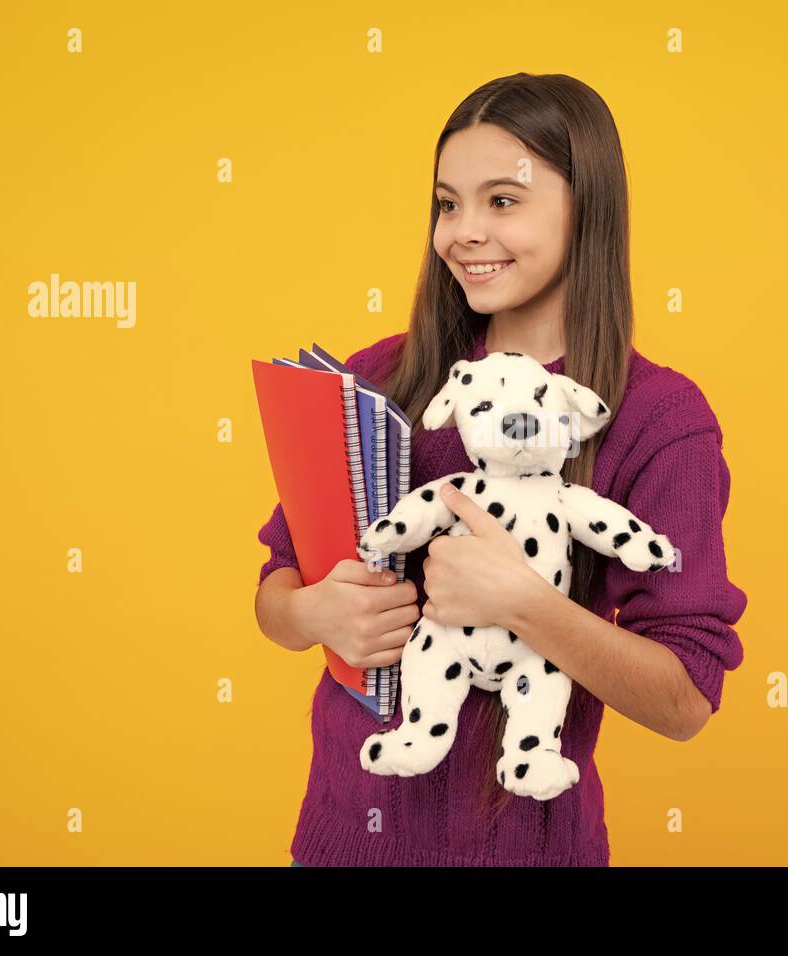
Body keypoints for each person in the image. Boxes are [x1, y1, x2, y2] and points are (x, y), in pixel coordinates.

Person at [255, 72, 747, 866]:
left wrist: (524, 603)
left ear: (586, 207)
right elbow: (276, 588)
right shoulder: (381, 378)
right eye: (448, 204)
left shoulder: (661, 420)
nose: (463, 233)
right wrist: (315, 613)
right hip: (344, 841)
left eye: (503, 200)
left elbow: (685, 700)